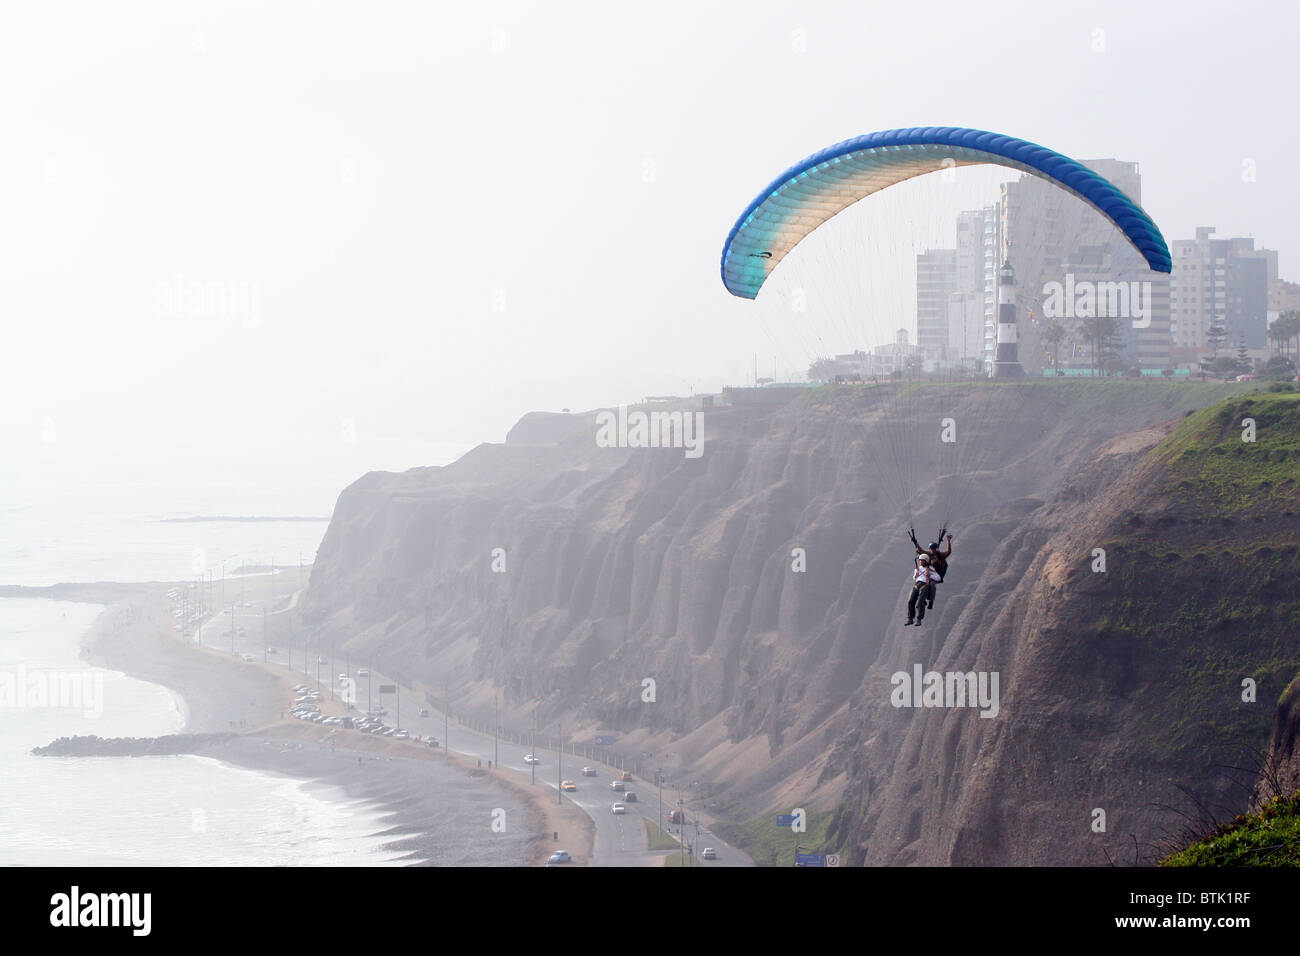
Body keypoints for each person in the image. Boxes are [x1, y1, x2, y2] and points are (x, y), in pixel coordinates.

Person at [905, 554, 941, 626]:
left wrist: (929, 575)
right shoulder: (918, 568)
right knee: (911, 601)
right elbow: (914, 578)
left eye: (922, 561)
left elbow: (938, 578)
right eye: (920, 561)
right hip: (917, 585)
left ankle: (919, 619)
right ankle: (910, 618)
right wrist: (916, 574)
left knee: (920, 602)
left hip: (925, 585)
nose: (921, 562)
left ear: (926, 561)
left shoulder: (930, 569)